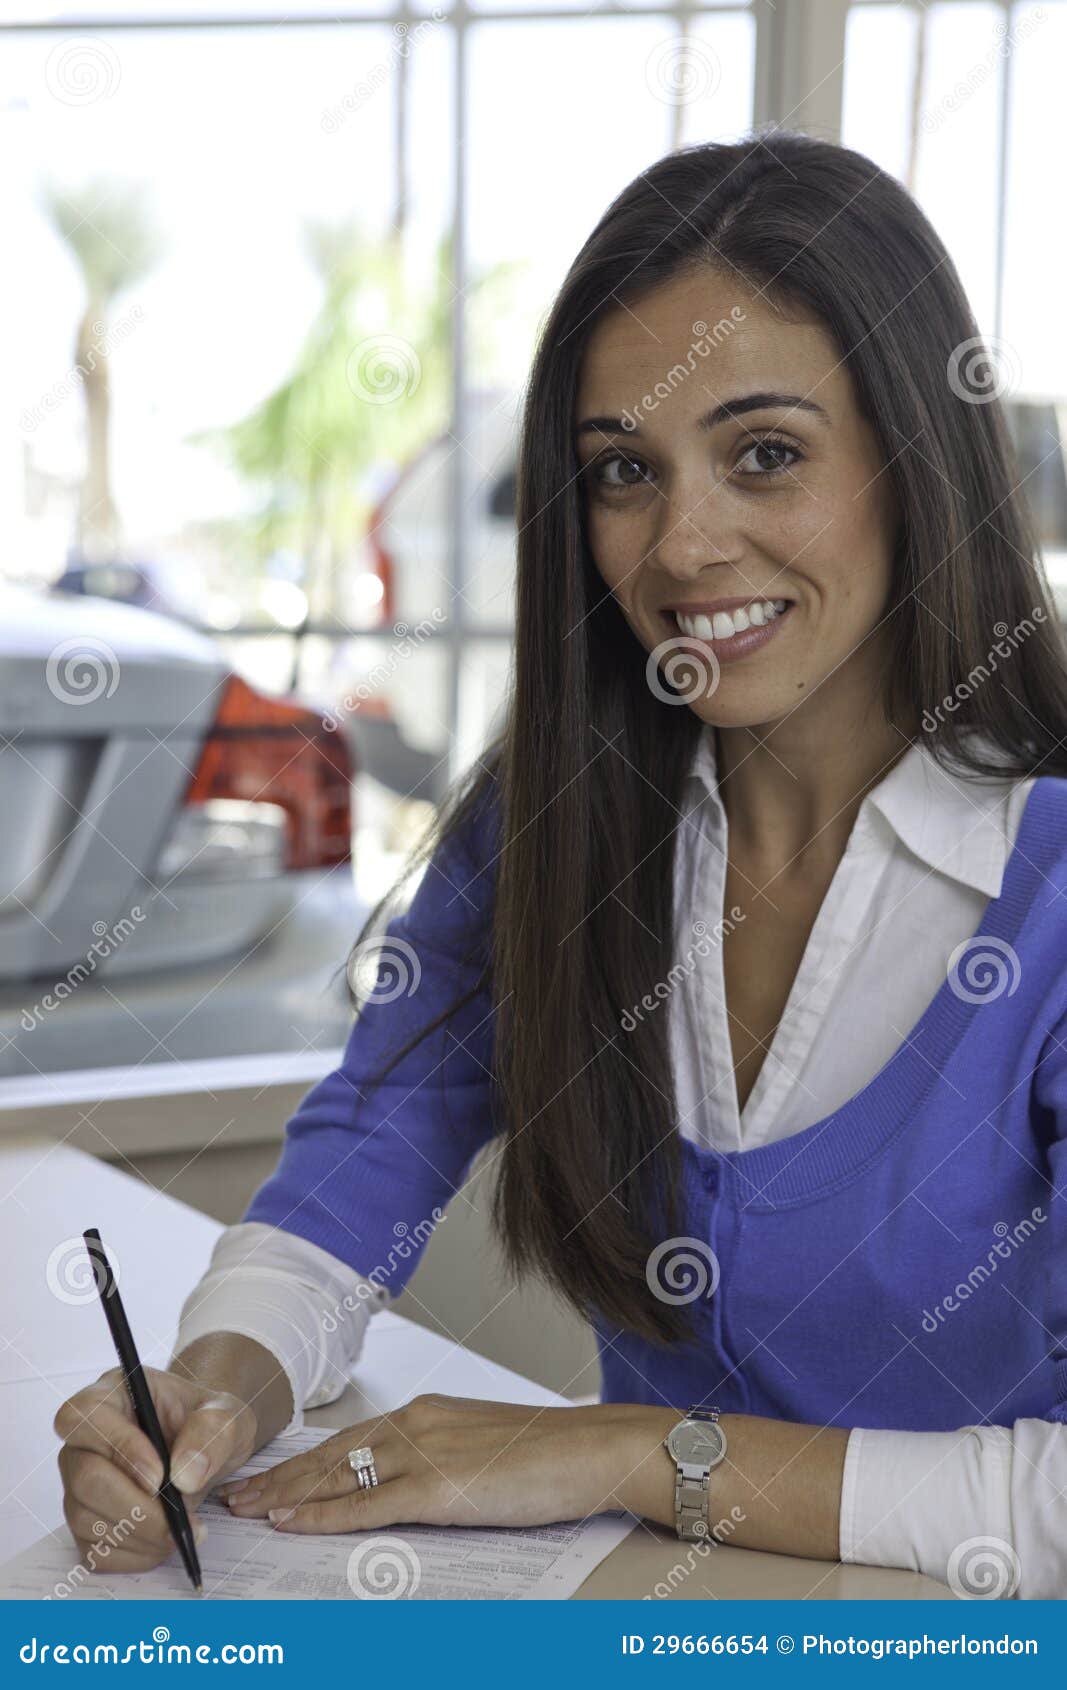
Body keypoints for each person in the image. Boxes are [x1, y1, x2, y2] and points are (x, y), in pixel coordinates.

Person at [55, 130, 1067, 1598]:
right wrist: (205, 1398)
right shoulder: (557, 823)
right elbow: (361, 1165)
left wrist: (634, 1452)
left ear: (915, 461)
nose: (683, 544)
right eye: (623, 472)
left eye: (765, 454)